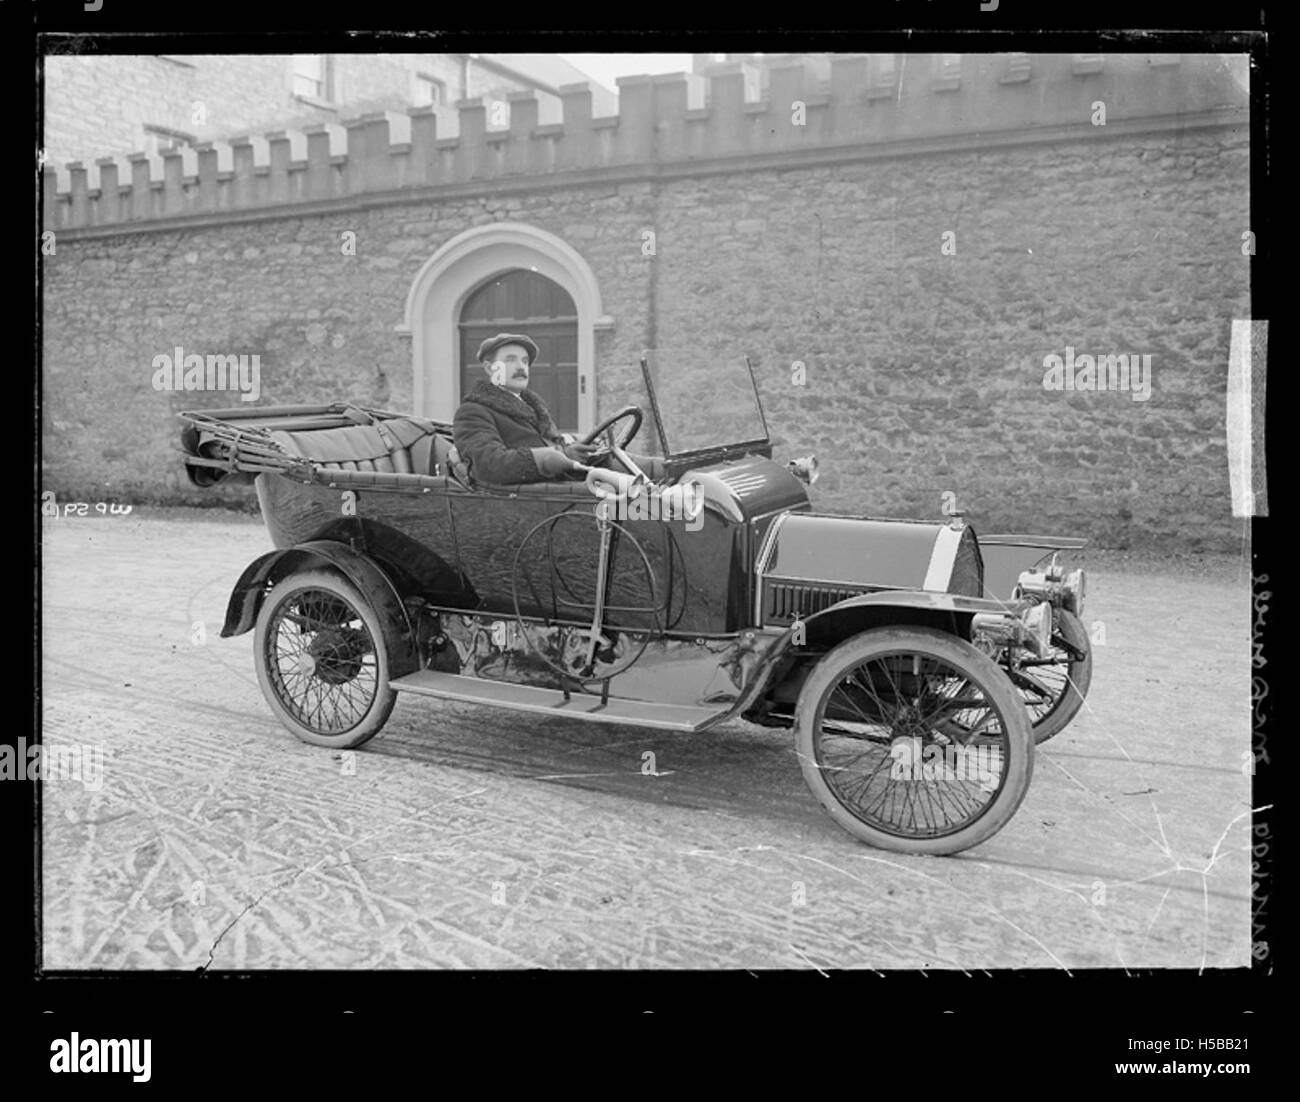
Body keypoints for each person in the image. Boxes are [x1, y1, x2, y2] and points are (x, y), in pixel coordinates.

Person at [453, 333, 661, 485]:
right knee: (640, 501)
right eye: (510, 360)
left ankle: (672, 469)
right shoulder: (473, 412)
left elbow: (556, 447)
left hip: (562, 489)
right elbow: (490, 466)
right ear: (490, 368)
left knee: (662, 478)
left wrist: (581, 450)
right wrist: (560, 456)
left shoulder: (533, 407)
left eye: (525, 361)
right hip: (529, 502)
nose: (521, 367)